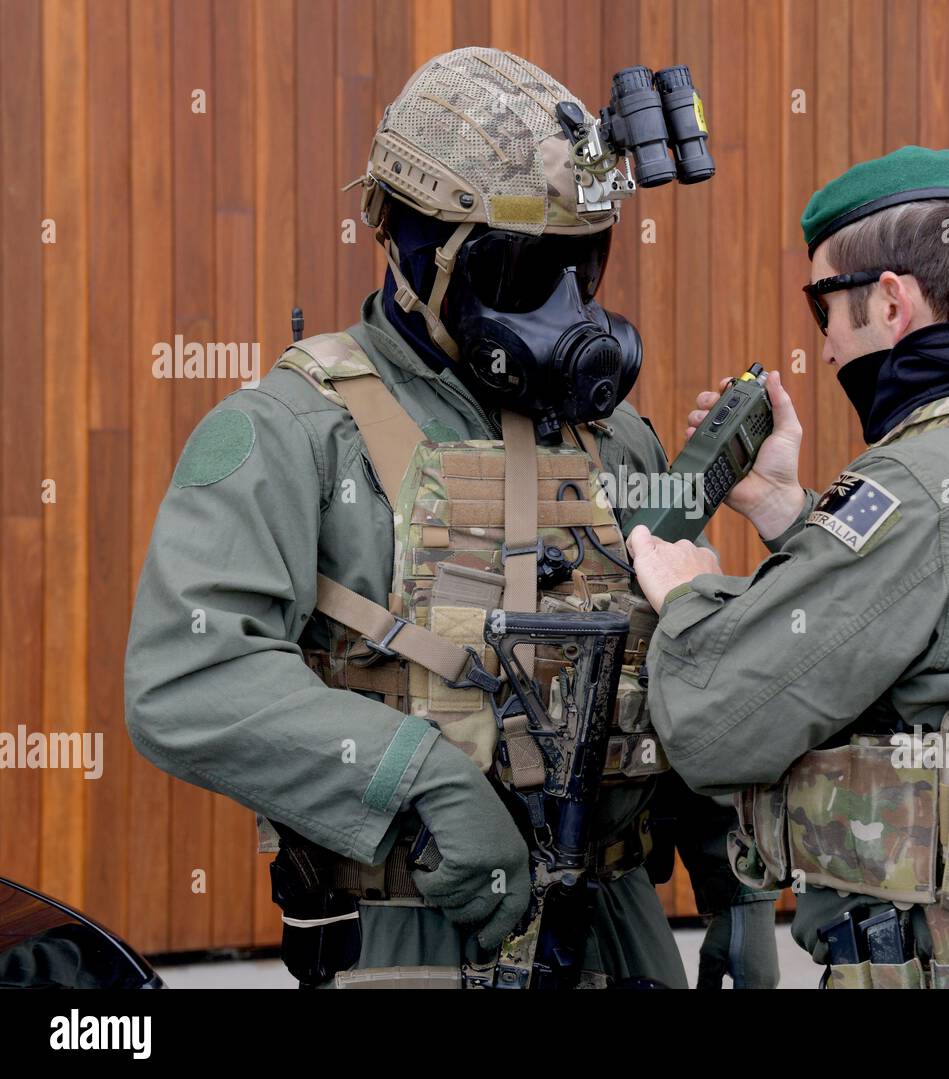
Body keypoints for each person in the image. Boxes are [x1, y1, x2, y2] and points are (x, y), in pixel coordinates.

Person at [124, 46, 775, 989]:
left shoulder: (618, 439)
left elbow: (674, 664)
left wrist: (733, 884)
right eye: (522, 269)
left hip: (626, 939)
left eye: (579, 264)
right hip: (410, 942)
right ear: (410, 243)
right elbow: (185, 677)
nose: (562, 308)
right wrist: (414, 780)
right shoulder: (293, 432)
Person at [629, 145, 949, 988]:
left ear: (891, 301)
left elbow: (714, 723)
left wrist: (688, 598)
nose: (827, 347)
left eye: (823, 306)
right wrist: (785, 514)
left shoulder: (918, 485)